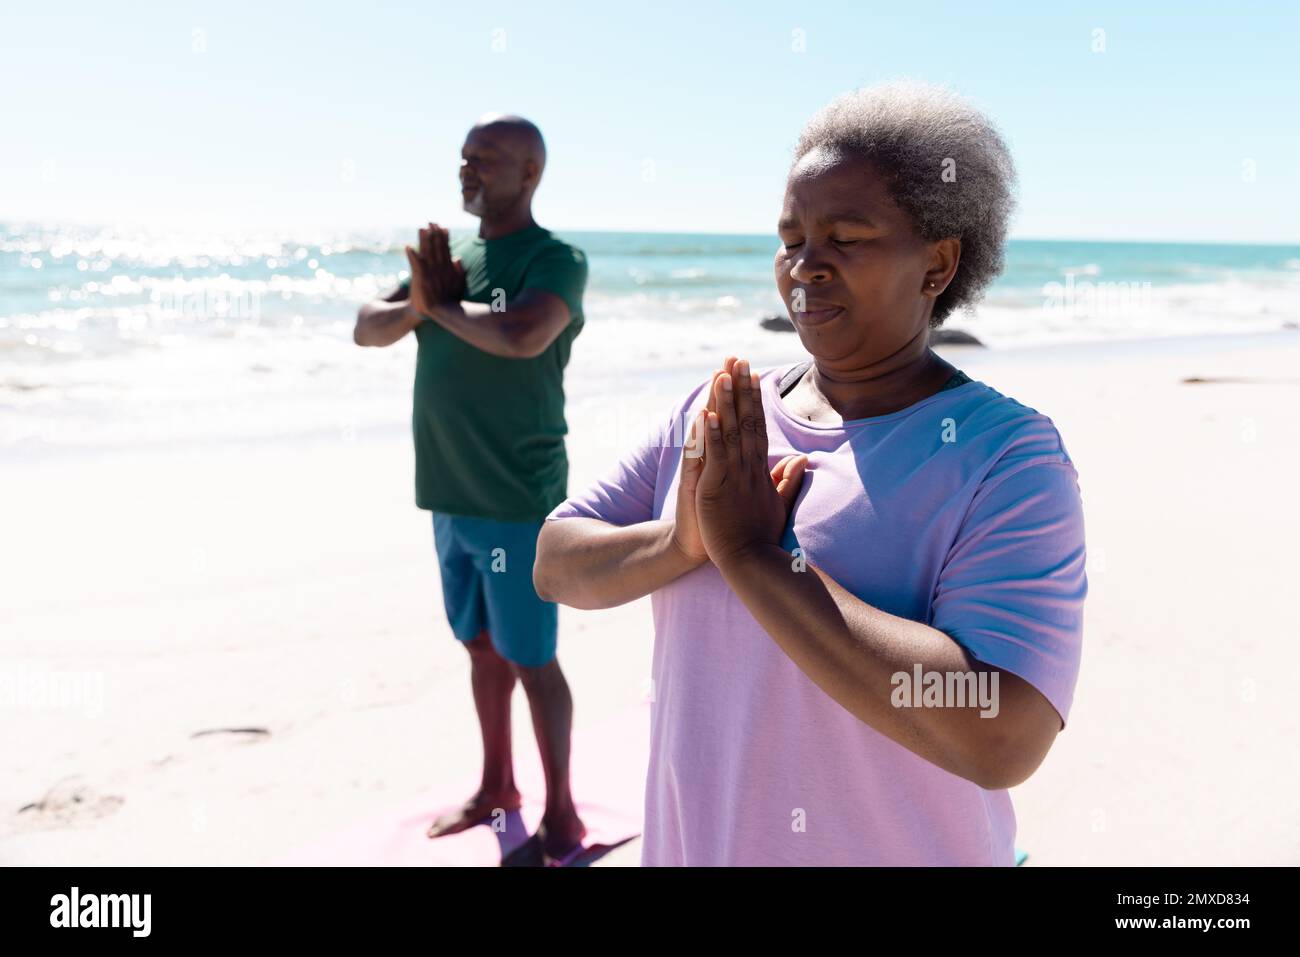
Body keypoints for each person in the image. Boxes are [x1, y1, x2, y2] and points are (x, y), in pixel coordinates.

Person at [533, 81, 1087, 866]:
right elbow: (555, 562)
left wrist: (759, 562)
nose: (804, 266)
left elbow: (1004, 733)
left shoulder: (1007, 458)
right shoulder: (723, 411)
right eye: (790, 237)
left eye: (846, 237)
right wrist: (678, 541)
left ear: (937, 262)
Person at [353, 114, 589, 866]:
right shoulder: (448, 257)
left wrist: (440, 308)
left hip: (516, 496)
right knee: (480, 648)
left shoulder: (556, 258)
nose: (468, 171)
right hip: (448, 490)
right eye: (463, 159)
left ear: (530, 174)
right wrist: (422, 304)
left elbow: (523, 334)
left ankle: (563, 810)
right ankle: (497, 788)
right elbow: (366, 327)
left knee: (532, 658)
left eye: (485, 161)